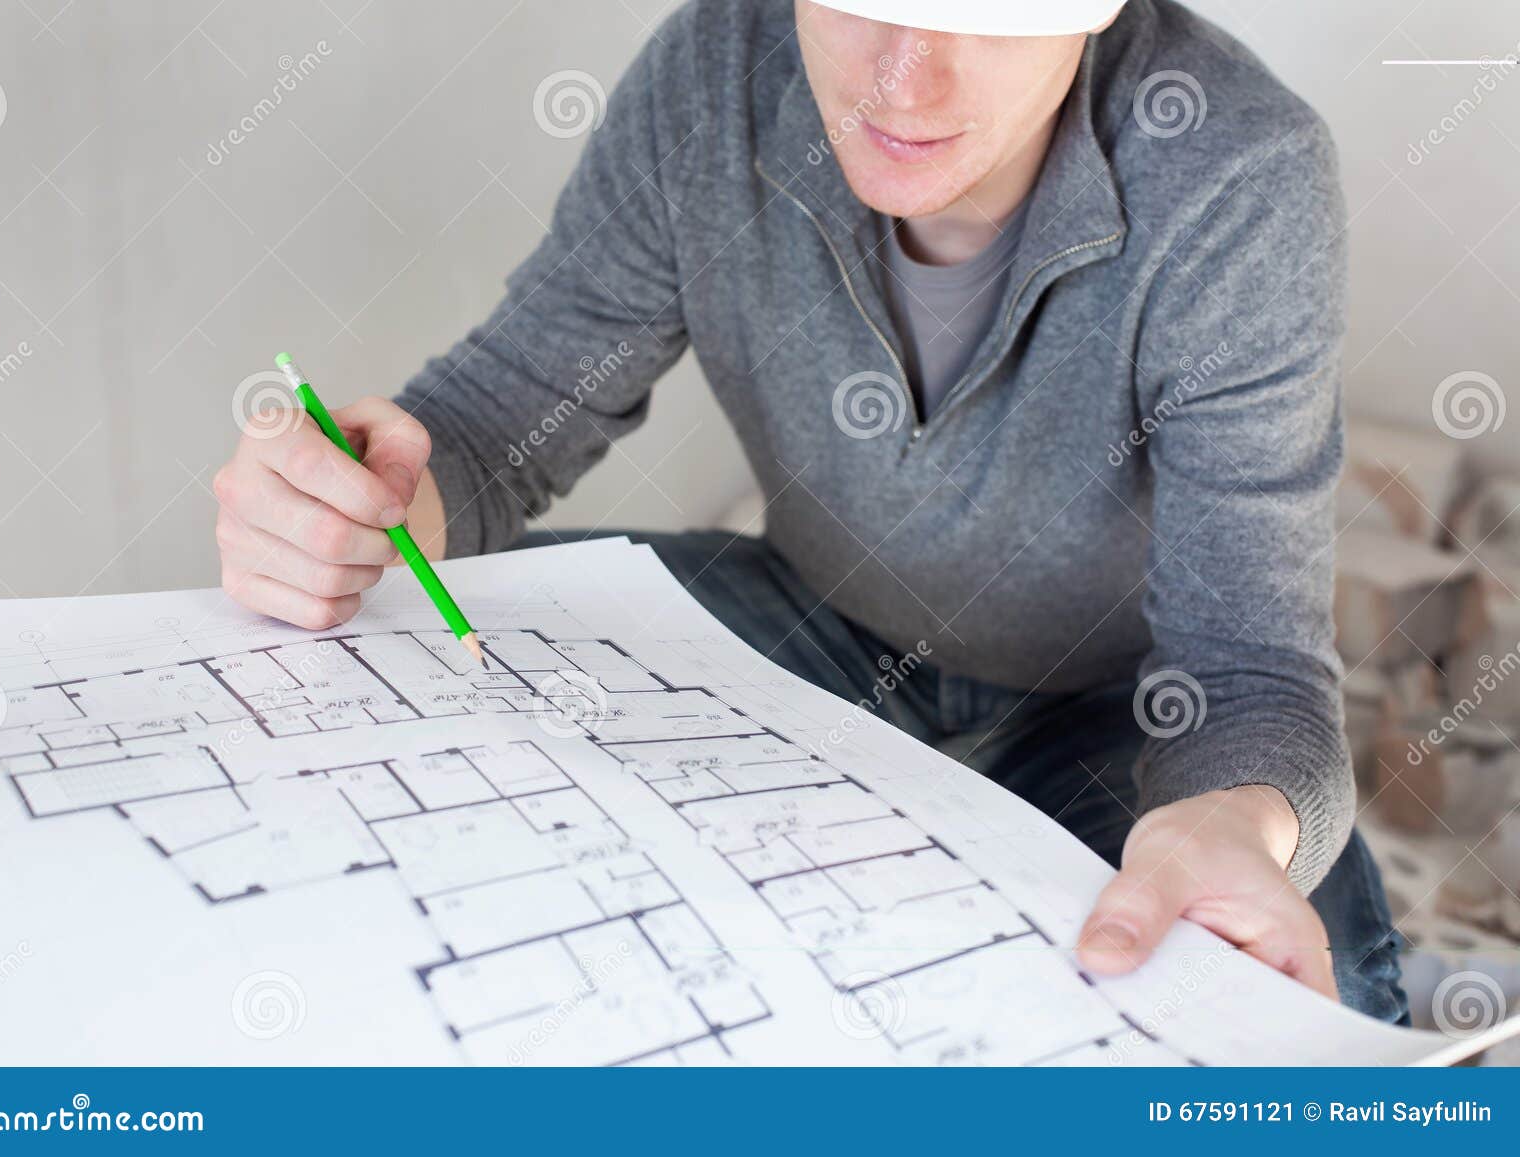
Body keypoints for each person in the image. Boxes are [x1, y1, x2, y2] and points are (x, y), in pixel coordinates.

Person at [211, 0, 1407, 1021]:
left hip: (1125, 709)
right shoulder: (717, 67)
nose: (901, 79)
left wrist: (1226, 823)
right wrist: (375, 505)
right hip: (816, 615)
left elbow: (1252, 673)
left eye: (981, 16)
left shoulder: (1236, 175)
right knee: (423, 667)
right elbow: (502, 416)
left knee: (1301, 987)